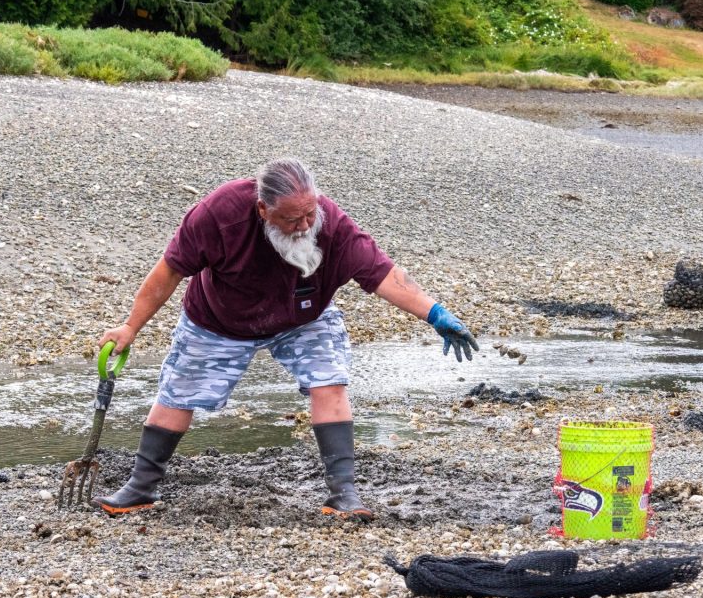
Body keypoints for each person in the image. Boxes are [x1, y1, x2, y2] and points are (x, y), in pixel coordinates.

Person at [92, 158, 479, 520]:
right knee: (179, 393)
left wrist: (436, 313)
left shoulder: (332, 225)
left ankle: (343, 494)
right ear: (263, 210)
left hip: (304, 316)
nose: (305, 225)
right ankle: (141, 487)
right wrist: (131, 327)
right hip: (219, 320)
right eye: (292, 219)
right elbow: (168, 273)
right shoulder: (218, 215)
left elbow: (383, 275)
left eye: (311, 214)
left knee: (329, 380)